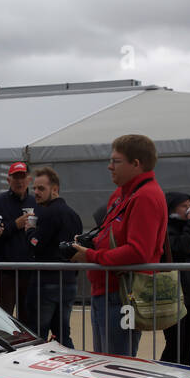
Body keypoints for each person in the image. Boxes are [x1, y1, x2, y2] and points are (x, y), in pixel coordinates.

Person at [70, 135, 167, 358]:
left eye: (116, 161)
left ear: (136, 164)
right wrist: (89, 245)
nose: (109, 166)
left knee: (117, 367)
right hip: (109, 290)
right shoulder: (125, 194)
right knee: (106, 364)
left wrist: (92, 255)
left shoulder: (145, 196)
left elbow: (138, 251)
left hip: (123, 293)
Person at [27, 167, 82, 347]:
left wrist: (29, 232)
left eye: (41, 188)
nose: (36, 192)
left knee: (38, 335)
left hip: (47, 281)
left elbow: (36, 243)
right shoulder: (74, 214)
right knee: (63, 334)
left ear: (55, 189)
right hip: (68, 282)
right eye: (34, 188)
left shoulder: (48, 213)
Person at [159, 192, 190, 366]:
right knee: (175, 342)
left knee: (189, 342)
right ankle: (166, 374)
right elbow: (179, 246)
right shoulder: (166, 227)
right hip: (173, 293)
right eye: (184, 206)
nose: (189, 209)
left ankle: (187, 373)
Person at [0, 162, 35, 317]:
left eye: (22, 177)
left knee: (28, 320)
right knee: (2, 317)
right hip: (5, 272)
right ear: (8, 180)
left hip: (30, 271)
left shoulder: (36, 202)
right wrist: (15, 225)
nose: (19, 181)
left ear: (29, 179)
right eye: (15, 178)